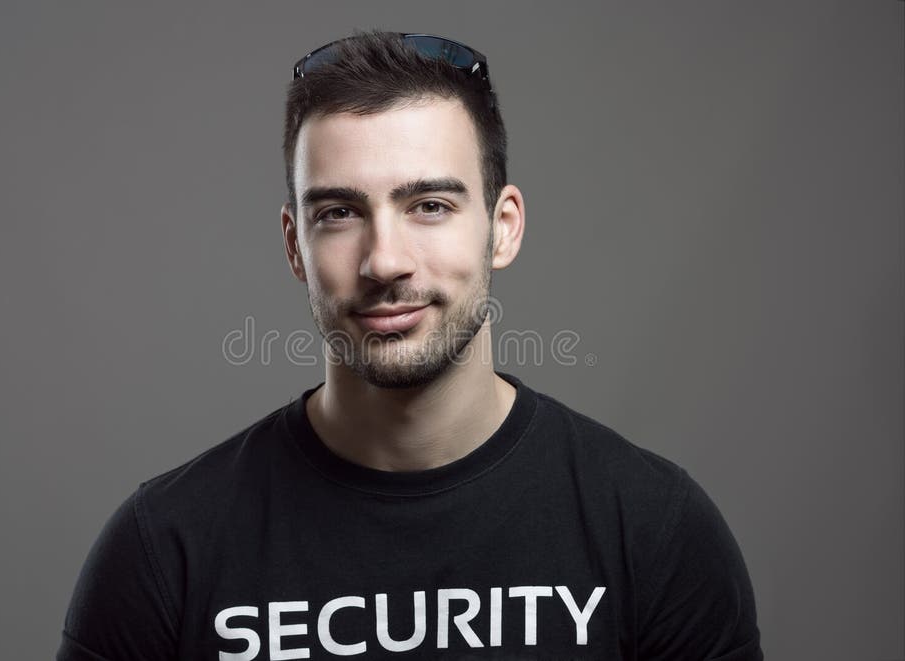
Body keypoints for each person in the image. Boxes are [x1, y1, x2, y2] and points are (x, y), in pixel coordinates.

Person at [57, 30, 763, 660]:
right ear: (295, 246)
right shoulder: (164, 551)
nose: (385, 261)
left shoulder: (652, 528)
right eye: (339, 212)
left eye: (429, 206)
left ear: (503, 227)